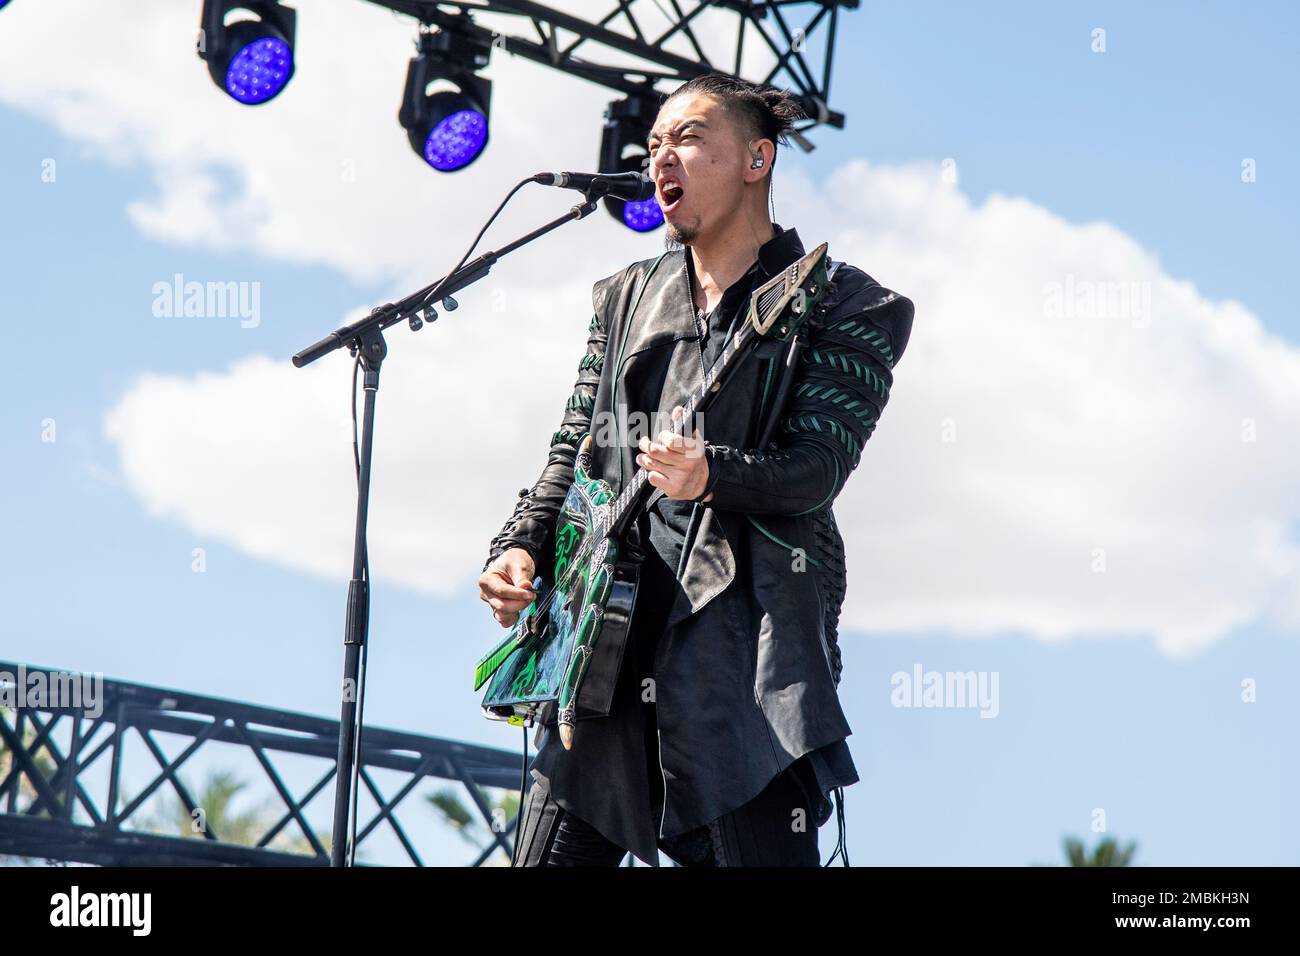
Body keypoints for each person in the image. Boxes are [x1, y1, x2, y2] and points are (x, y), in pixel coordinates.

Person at [478, 73, 914, 866]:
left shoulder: (846, 304)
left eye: (686, 137)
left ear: (757, 158)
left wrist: (710, 473)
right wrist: (521, 548)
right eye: (652, 146)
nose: (659, 158)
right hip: (600, 657)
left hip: (739, 675)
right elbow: (570, 454)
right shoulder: (625, 300)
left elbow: (815, 470)